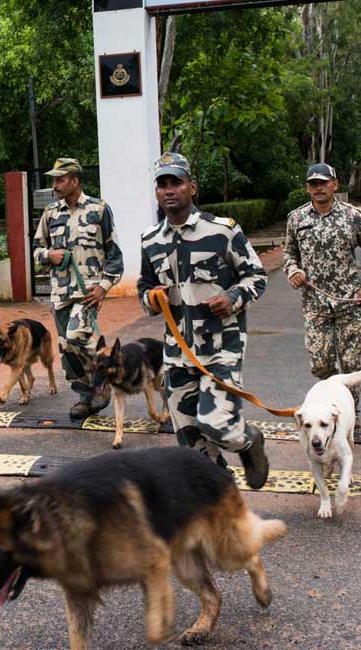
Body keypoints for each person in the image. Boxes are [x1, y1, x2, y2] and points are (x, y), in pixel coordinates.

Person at [137, 152, 271, 489]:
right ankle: (221, 499)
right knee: (192, 447)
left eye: (176, 182)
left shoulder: (222, 231)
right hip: (177, 354)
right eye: (162, 184)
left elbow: (256, 276)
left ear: (192, 187)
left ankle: (249, 441)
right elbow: (143, 286)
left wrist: (232, 297)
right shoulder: (151, 241)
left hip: (220, 350)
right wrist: (151, 298)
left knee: (216, 424)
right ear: (157, 192)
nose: (169, 190)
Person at [283, 163, 361, 415]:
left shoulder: (353, 217)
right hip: (315, 305)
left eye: (323, 182)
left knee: (351, 365)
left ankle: (348, 415)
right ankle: (331, 407)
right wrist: (293, 271)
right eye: (313, 184)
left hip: (350, 303)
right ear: (308, 188)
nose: (318, 188)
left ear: (335, 185)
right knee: (321, 364)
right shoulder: (296, 218)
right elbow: (289, 254)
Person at [31, 158, 124, 419]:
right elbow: (36, 250)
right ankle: (86, 396)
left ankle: (104, 379)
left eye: (60, 179)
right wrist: (50, 255)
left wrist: (104, 287)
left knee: (75, 336)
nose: (55, 184)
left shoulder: (99, 209)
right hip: (60, 293)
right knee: (67, 349)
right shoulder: (50, 214)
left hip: (88, 291)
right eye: (54, 180)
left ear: (75, 180)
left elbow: (115, 254)